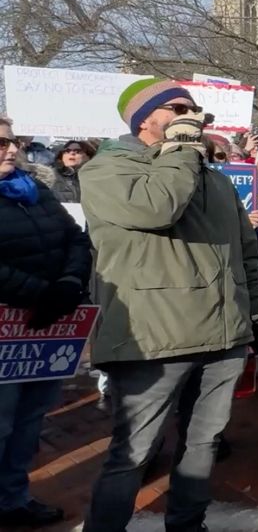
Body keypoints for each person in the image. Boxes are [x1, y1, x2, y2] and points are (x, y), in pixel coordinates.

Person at [81, 78, 258, 532]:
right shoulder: (107, 169)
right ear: (145, 119)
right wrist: (182, 149)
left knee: (203, 443)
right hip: (154, 339)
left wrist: (256, 312)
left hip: (223, 335)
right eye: (179, 108)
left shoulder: (214, 180)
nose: (192, 117)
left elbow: (245, 252)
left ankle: (187, 524)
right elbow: (156, 208)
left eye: (194, 109)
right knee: (134, 453)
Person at [0, 119, 91, 527]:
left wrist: (69, 283)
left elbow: (76, 238)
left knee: (29, 421)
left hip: (48, 328)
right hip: (10, 325)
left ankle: (13, 498)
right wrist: (40, 294)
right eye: (1, 143)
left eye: (13, 142)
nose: (11, 149)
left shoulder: (35, 188)